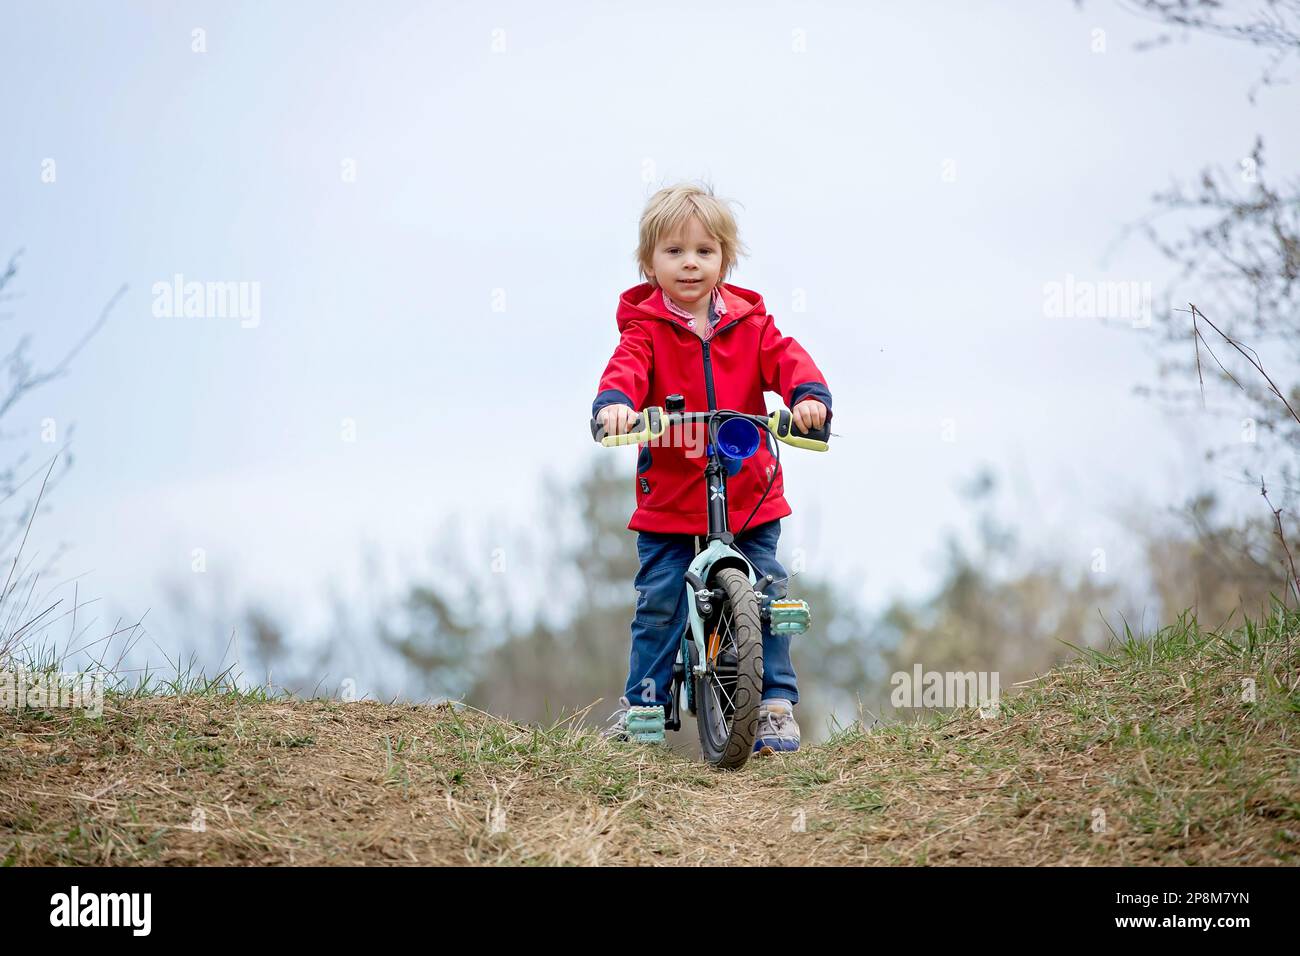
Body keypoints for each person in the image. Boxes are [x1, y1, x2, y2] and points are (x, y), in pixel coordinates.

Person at [591, 182, 833, 755]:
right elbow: (625, 371)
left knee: (769, 588)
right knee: (659, 600)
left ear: (725, 258)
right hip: (671, 502)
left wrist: (806, 395)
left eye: (704, 251)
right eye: (674, 251)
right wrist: (617, 407)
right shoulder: (645, 331)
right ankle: (644, 706)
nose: (690, 263)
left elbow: (786, 358)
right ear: (649, 263)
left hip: (749, 492)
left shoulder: (751, 324)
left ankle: (773, 703)